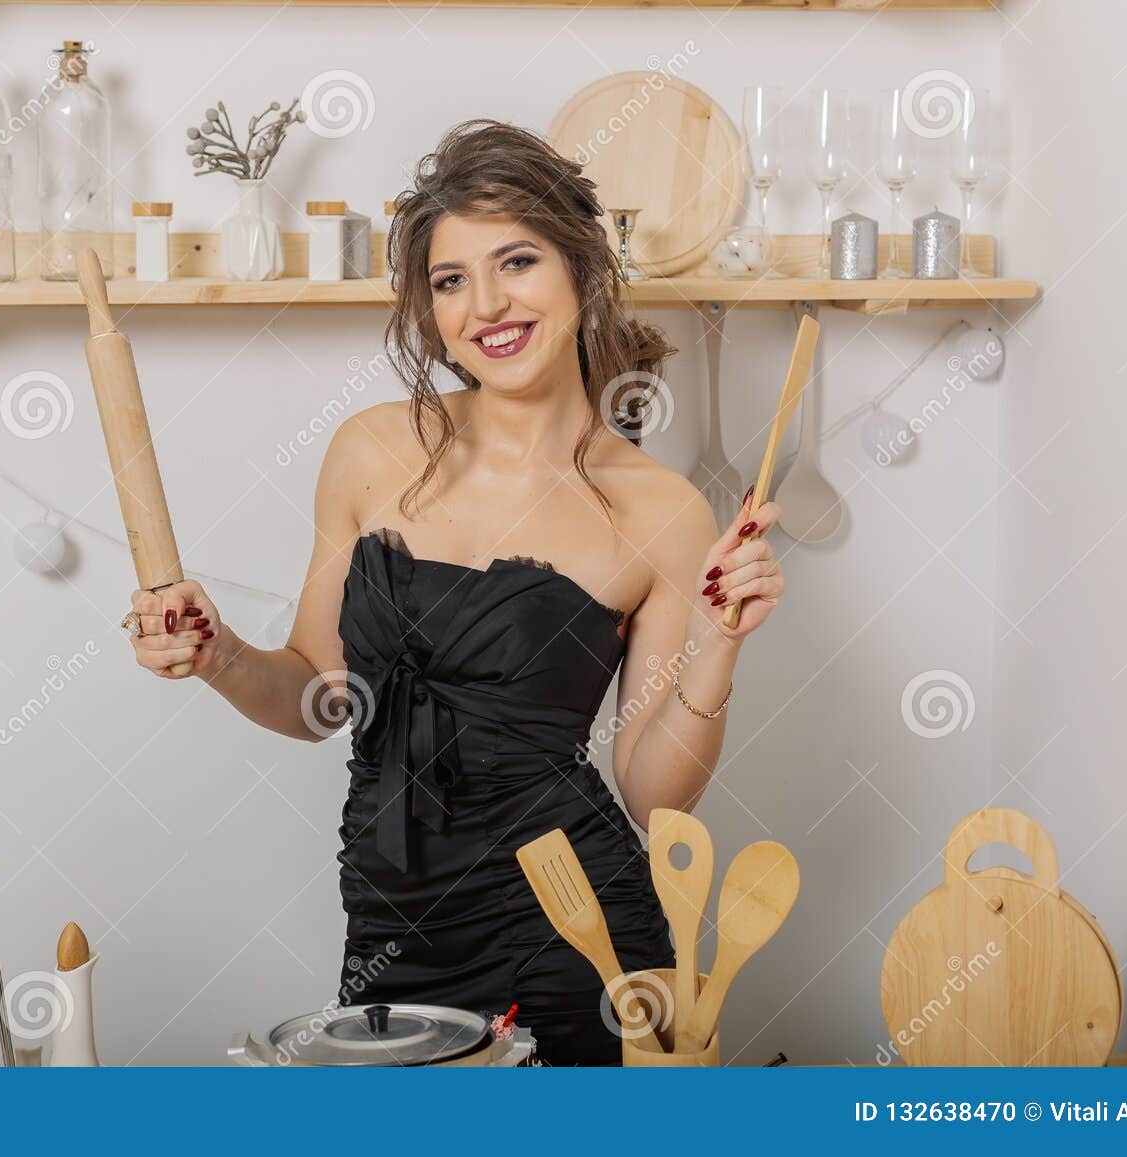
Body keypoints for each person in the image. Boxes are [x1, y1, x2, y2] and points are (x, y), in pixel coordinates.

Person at [125, 119, 786, 1065]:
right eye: (450, 279)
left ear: (583, 272)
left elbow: (652, 793)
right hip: (393, 925)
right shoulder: (370, 451)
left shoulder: (662, 510)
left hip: (576, 924)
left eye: (516, 262)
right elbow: (319, 691)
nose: (486, 304)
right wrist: (217, 652)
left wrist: (721, 642)